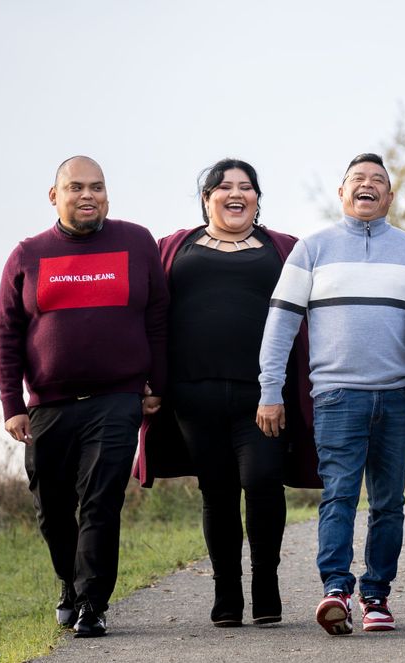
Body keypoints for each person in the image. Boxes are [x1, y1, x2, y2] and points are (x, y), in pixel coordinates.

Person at [133, 159, 319, 628]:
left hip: (265, 395)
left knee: (263, 483)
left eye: (246, 187)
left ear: (257, 198)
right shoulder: (174, 247)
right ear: (206, 198)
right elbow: (149, 315)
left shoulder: (283, 248)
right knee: (216, 492)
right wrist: (148, 378)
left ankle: (265, 585)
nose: (236, 194)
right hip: (193, 395)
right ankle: (226, 592)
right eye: (224, 187)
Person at [0, 156, 168, 638]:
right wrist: (12, 405)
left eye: (97, 187)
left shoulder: (137, 242)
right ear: (55, 196)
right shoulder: (28, 254)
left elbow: (158, 318)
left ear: (107, 195)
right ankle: (70, 583)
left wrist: (156, 384)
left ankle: (93, 602)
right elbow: (7, 333)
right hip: (48, 404)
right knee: (51, 507)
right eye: (76, 187)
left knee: (100, 500)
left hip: (117, 396)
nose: (88, 195)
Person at [256, 152, 405, 635]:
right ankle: (336, 589)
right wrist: (270, 388)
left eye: (377, 180)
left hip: (398, 395)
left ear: (389, 196)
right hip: (336, 395)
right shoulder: (312, 249)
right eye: (357, 178)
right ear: (342, 192)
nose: (366, 184)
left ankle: (376, 596)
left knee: (389, 502)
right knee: (339, 496)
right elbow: (281, 323)